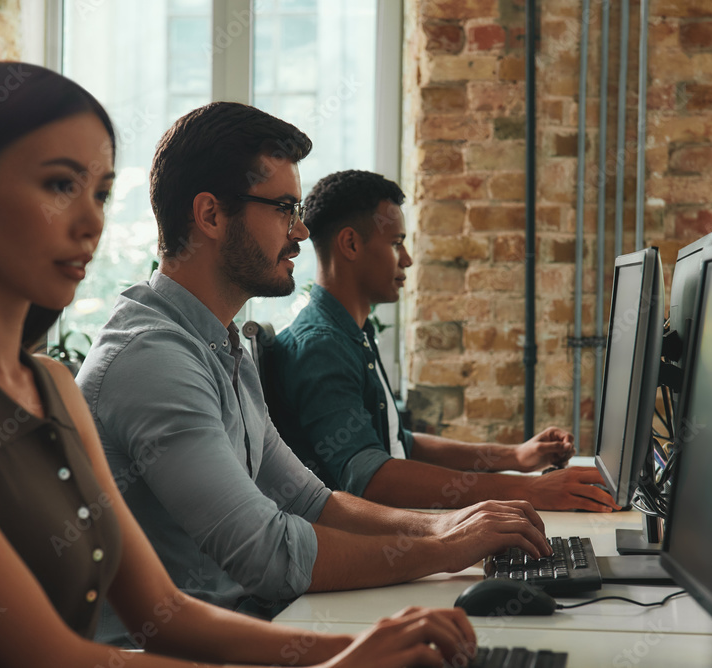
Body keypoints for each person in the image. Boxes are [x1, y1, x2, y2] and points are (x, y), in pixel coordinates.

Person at [0, 62, 481, 668]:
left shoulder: (53, 384)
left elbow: (164, 608)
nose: (91, 221)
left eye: (101, 192)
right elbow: (59, 657)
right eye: (59, 185)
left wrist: (355, 648)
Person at [76, 101, 551, 643]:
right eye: (283, 207)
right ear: (209, 215)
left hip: (251, 629)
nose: (301, 230)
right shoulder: (151, 358)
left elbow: (309, 500)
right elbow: (267, 554)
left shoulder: (221, 340)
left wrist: (449, 525)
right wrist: (444, 550)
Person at [268, 170, 620, 513]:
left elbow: (399, 444)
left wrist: (514, 457)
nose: (406, 259)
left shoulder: (350, 331)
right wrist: (531, 490)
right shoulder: (321, 347)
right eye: (395, 243)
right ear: (351, 244)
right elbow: (371, 477)